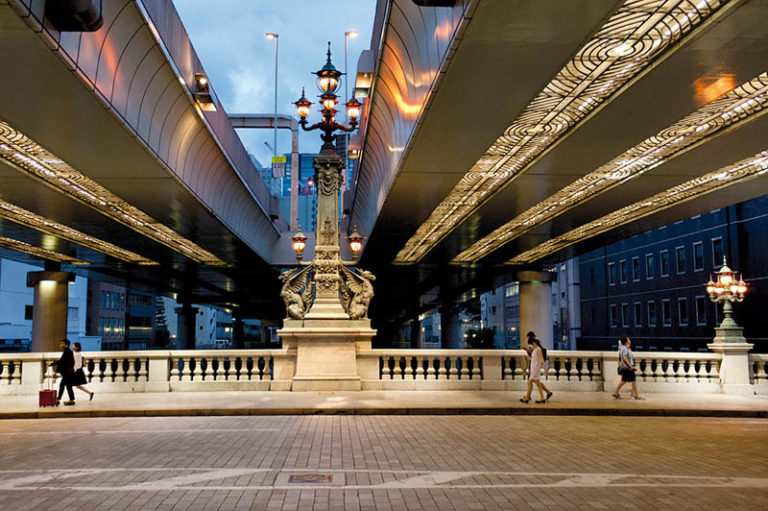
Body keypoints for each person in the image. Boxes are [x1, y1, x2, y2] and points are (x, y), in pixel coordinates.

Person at [520, 331, 553, 404]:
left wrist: (545, 369)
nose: (531, 345)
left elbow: (542, 360)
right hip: (533, 367)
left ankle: (529, 398)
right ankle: (541, 397)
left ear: (533, 343)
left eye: (531, 344)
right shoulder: (535, 349)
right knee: (536, 382)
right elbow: (534, 358)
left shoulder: (538, 349)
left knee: (532, 382)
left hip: (535, 368)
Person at [51, 339, 75, 406]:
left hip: (67, 372)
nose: (60, 345)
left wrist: (52, 364)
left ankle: (58, 399)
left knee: (62, 385)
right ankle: (72, 399)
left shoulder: (68, 352)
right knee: (68, 386)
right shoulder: (67, 351)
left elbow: (62, 361)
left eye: (62, 343)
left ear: (66, 345)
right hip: (68, 372)